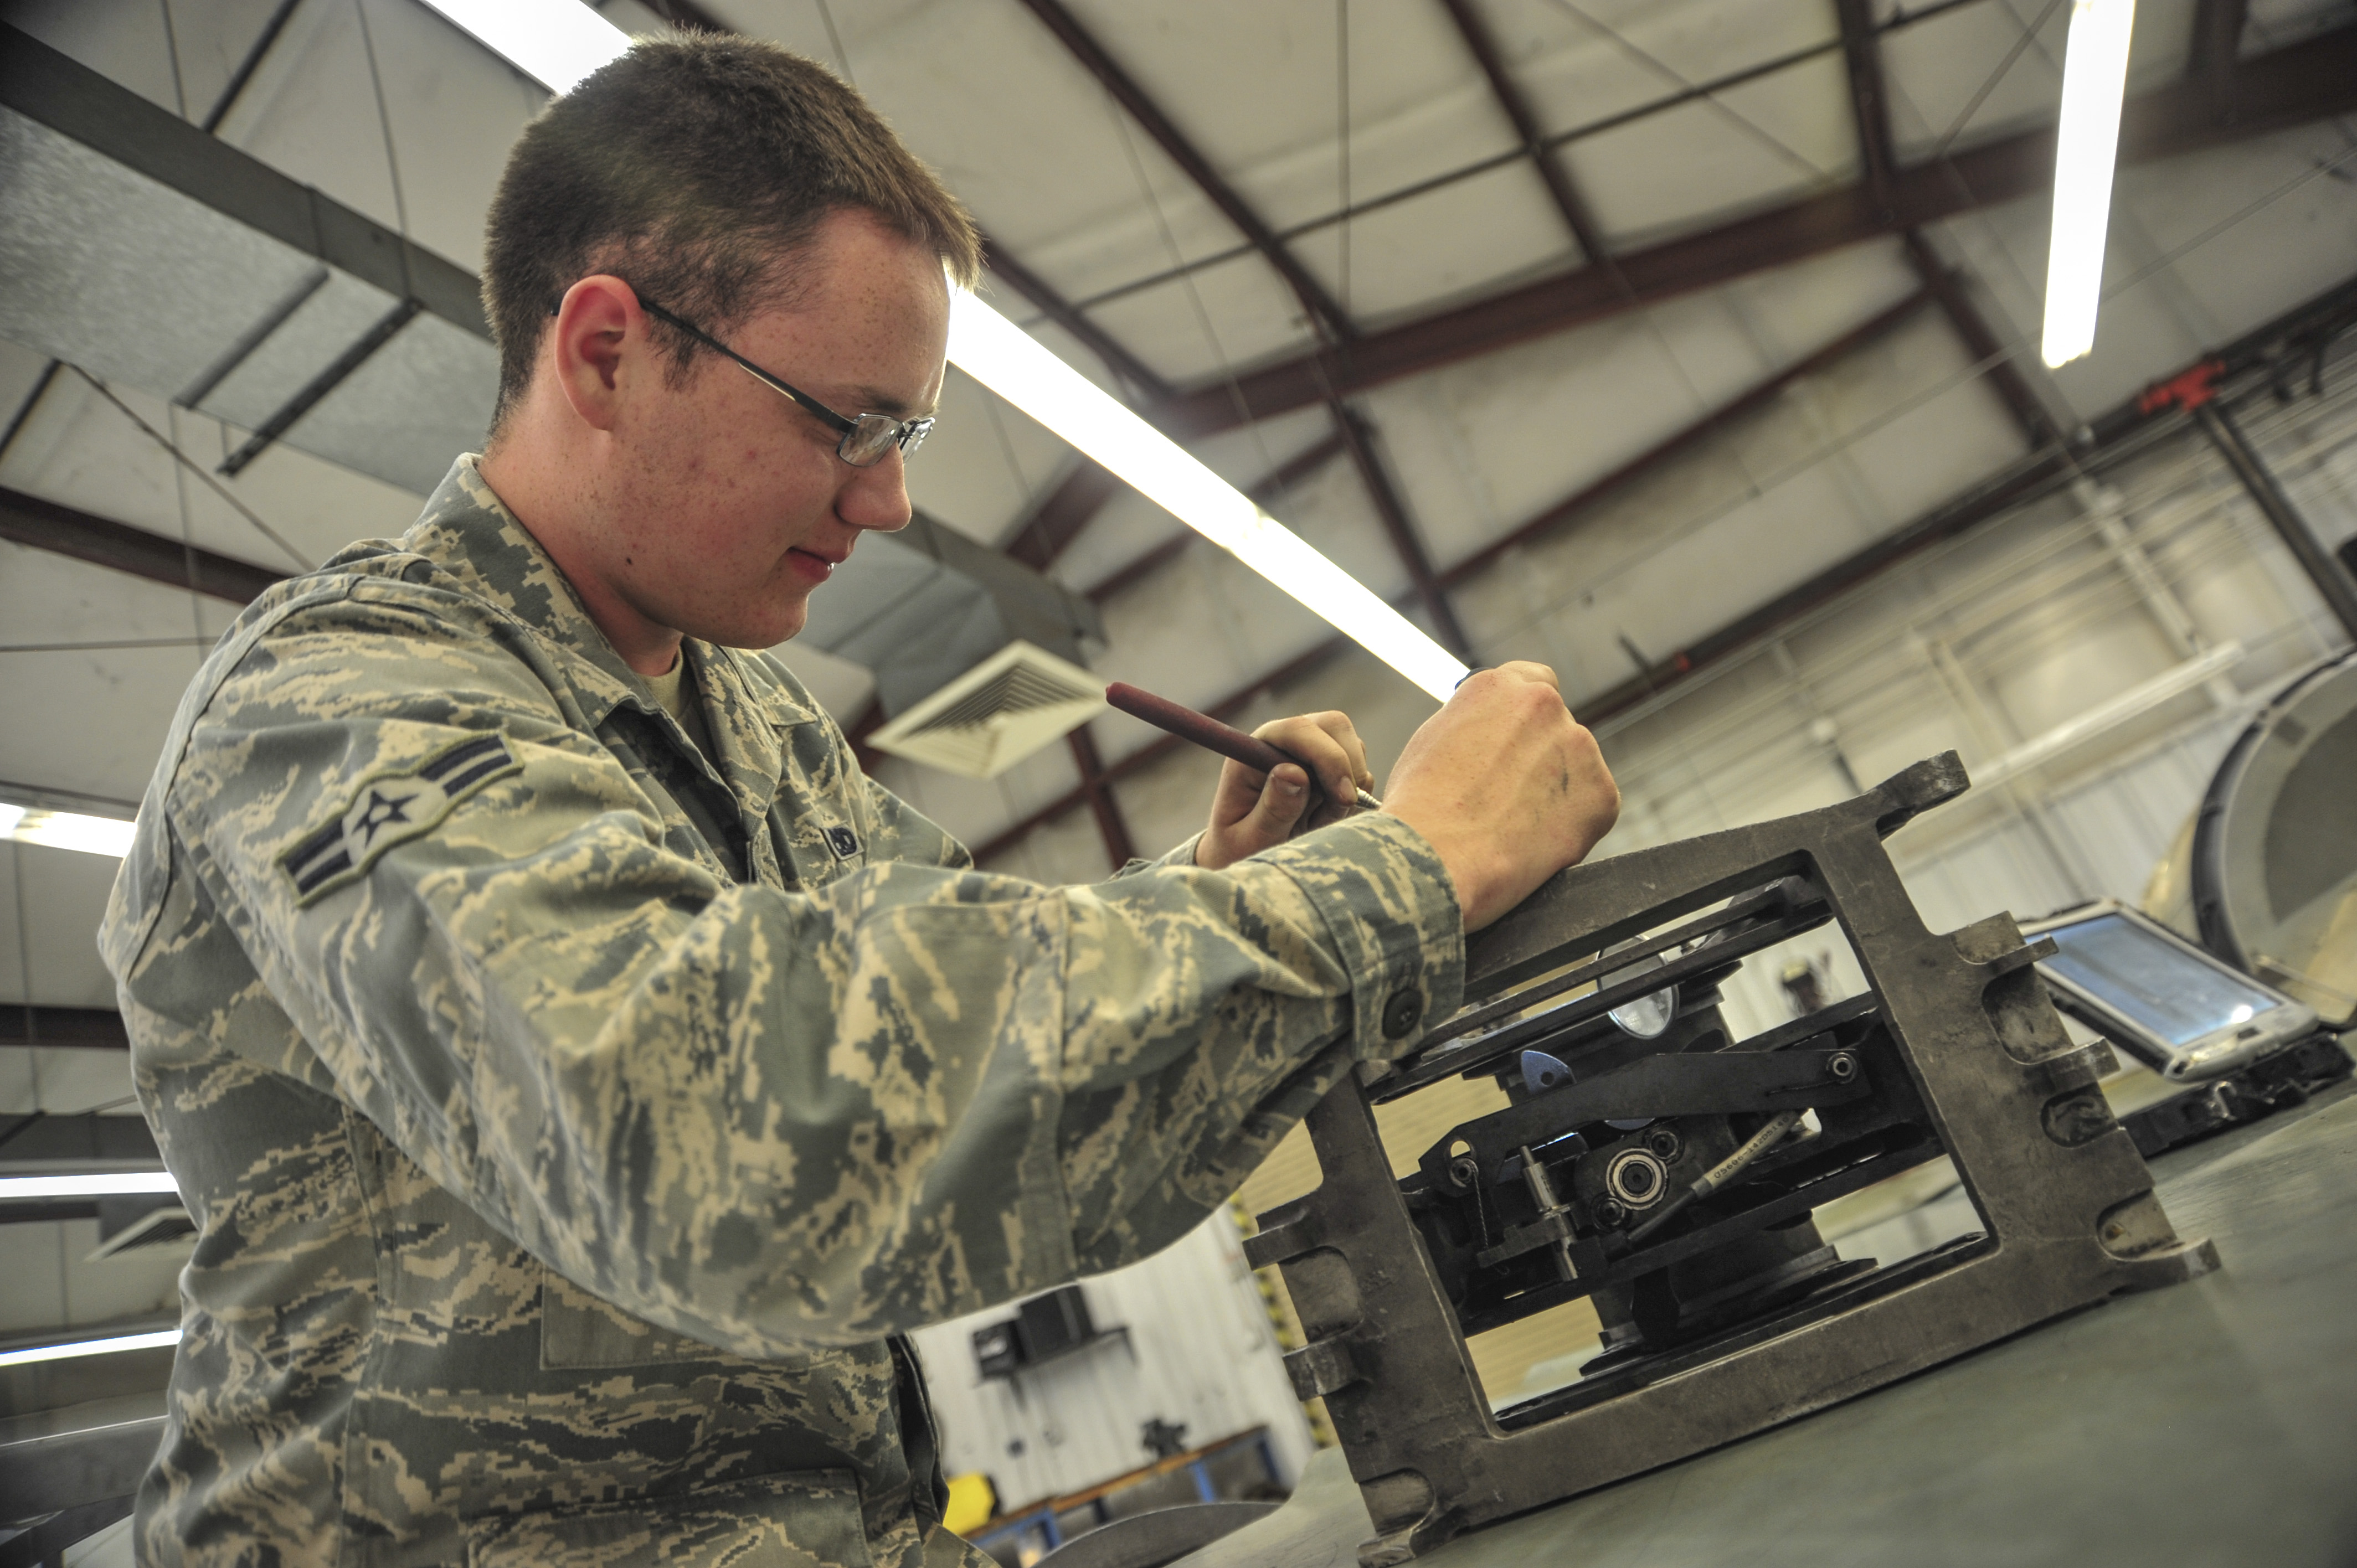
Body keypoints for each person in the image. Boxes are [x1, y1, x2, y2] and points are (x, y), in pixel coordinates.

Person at [98, 34, 1618, 1568]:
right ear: (609, 352)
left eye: (907, 437)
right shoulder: (335, 702)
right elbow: (712, 1136)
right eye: (847, 423)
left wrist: (1215, 886)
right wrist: (1407, 876)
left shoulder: (748, 717)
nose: (887, 502)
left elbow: (929, 1011)